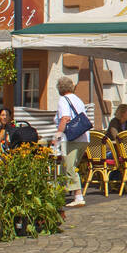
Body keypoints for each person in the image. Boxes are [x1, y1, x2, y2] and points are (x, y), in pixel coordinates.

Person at [55, 76, 91, 208]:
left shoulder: (63, 100)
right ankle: (68, 191)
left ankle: (78, 195)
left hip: (72, 138)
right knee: (73, 166)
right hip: (84, 137)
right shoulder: (78, 99)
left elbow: (65, 118)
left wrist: (58, 135)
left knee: (69, 167)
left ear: (60, 88)